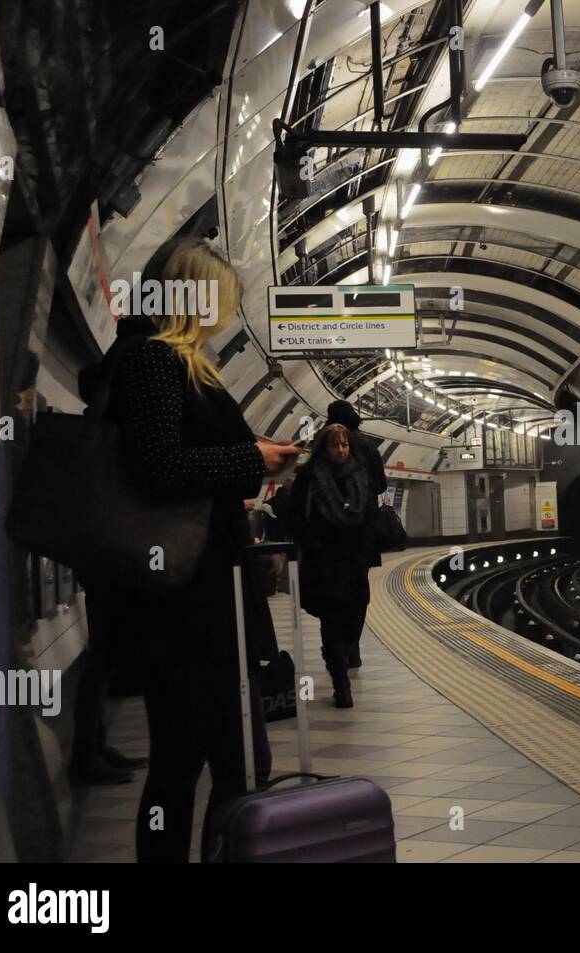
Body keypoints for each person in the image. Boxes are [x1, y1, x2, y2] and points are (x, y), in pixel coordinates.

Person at [82, 236, 300, 862]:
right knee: (212, 762)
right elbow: (159, 465)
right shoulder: (155, 360)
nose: (227, 315)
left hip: (196, 595)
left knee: (199, 760)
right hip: (186, 604)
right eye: (222, 300)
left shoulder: (176, 362)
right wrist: (249, 457)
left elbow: (182, 457)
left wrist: (253, 457)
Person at [289, 423, 379, 708]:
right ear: (323, 449)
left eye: (345, 445)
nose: (341, 450)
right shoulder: (309, 478)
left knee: (354, 617)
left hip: (353, 561)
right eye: (335, 445)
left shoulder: (361, 477)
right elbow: (295, 519)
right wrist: (315, 548)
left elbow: (370, 516)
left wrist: (364, 551)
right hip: (324, 562)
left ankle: (341, 655)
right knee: (332, 621)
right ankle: (341, 682)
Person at [323, 399, 386, 668]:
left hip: (331, 534)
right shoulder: (368, 447)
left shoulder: (324, 444)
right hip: (363, 533)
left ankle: (334, 648)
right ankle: (353, 648)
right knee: (358, 591)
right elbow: (381, 485)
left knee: (331, 592)